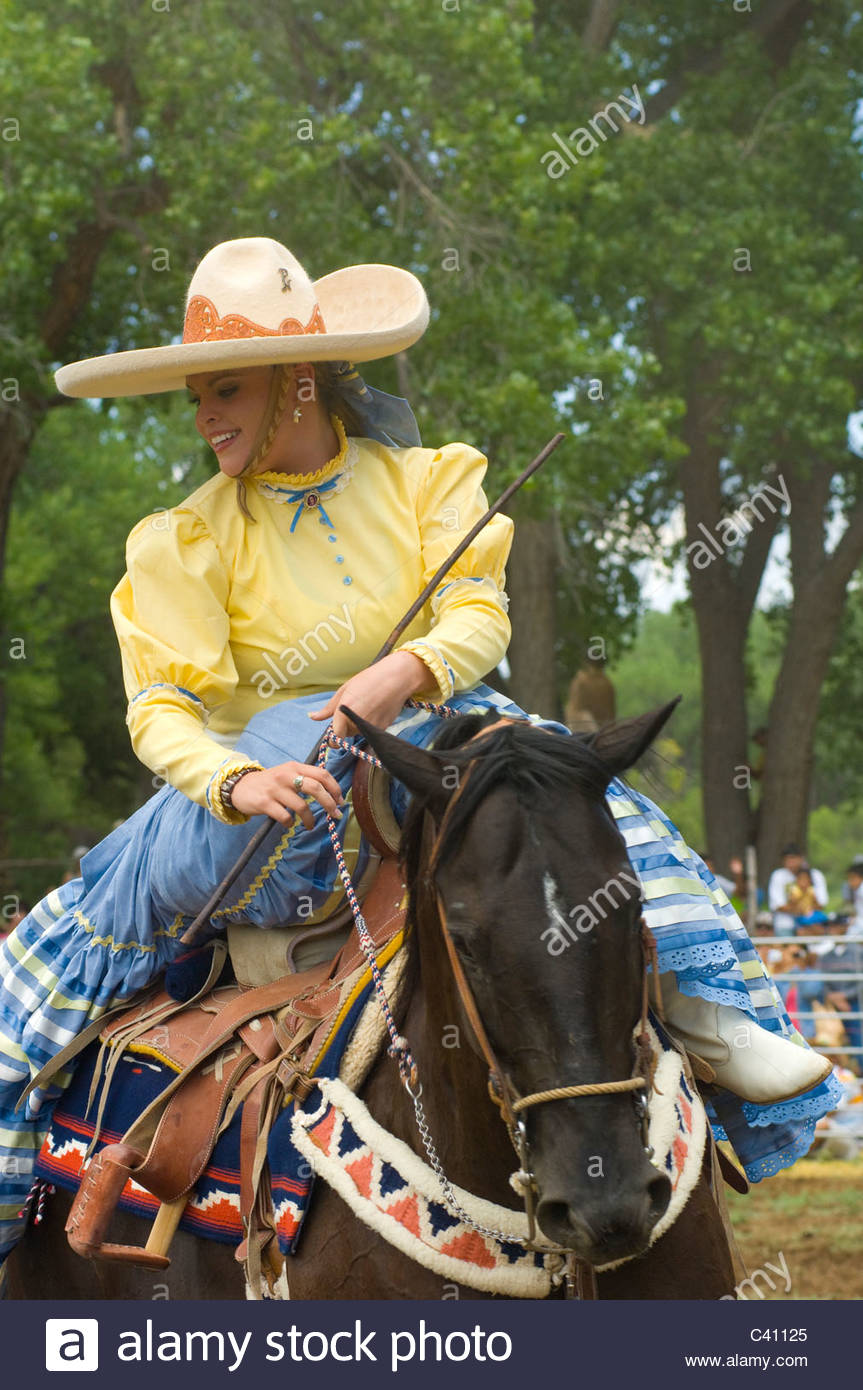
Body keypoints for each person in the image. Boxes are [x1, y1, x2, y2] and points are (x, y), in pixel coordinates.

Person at [0, 237, 841, 1272]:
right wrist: (236, 777)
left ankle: (707, 1018)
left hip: (437, 721)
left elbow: (477, 610)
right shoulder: (183, 536)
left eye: (224, 388)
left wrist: (399, 674)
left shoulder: (424, 480)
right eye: (196, 395)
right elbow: (159, 707)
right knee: (32, 982)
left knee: (585, 811)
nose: (203, 414)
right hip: (274, 776)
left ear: (295, 382)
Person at [768, 843, 828, 936]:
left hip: (811, 923)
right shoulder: (778, 875)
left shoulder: (816, 875)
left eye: (793, 858)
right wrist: (800, 908)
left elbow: (822, 903)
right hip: (786, 923)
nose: (790, 862)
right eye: (787, 859)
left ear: (801, 858)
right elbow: (778, 905)